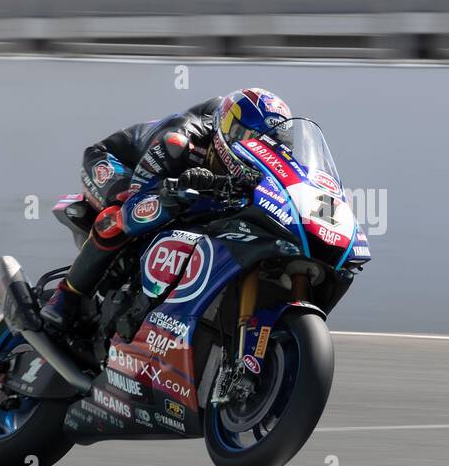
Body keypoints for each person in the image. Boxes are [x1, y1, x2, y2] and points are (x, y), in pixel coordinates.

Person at [40, 87, 293, 331]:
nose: (260, 150)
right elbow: (136, 204)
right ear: (228, 131)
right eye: (251, 140)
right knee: (118, 216)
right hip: (117, 163)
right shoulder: (180, 142)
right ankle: (66, 295)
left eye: (272, 145)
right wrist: (178, 190)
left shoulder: (265, 170)